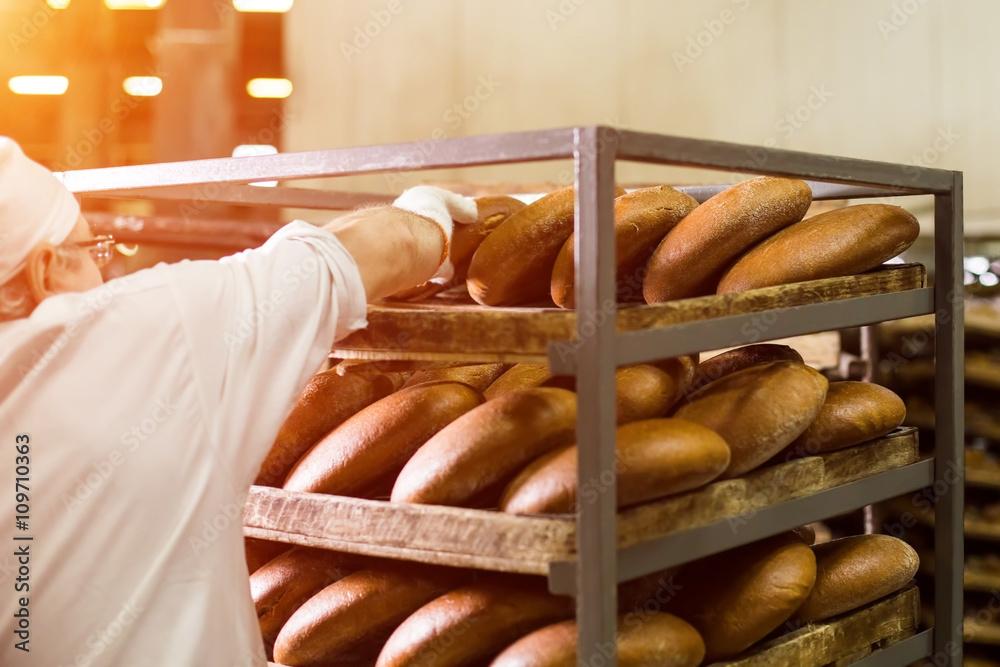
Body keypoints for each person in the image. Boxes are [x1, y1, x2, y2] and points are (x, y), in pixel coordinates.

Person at [0, 136, 477, 666]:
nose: (104, 271)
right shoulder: (142, 331)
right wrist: (426, 214)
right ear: (47, 269)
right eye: (95, 251)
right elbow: (359, 254)